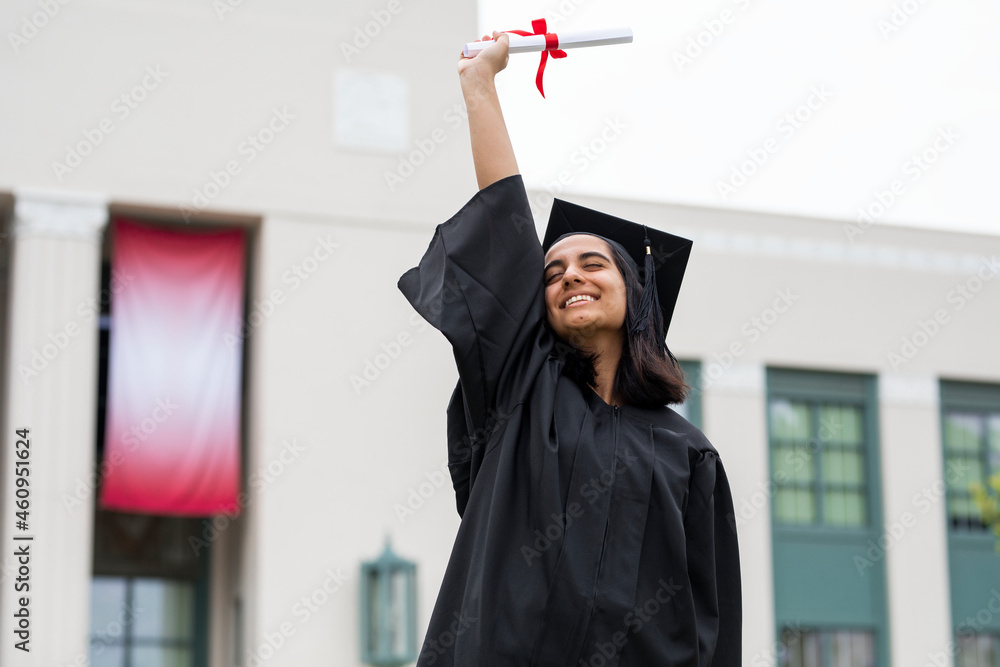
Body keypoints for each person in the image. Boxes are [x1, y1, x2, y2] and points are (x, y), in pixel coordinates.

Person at [397, 30, 742, 667]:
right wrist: (480, 85)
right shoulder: (524, 392)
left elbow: (711, 619)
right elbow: (505, 226)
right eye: (552, 273)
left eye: (592, 264)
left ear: (636, 295)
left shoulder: (690, 455)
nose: (570, 277)